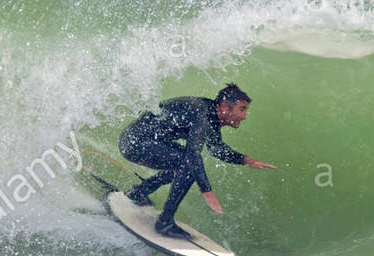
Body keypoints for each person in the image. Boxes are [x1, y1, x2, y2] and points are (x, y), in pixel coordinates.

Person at [118, 83, 276, 239]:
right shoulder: (201, 113)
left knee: (187, 162)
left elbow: (216, 149)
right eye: (241, 109)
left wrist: (246, 160)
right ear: (224, 107)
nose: (244, 116)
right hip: (135, 143)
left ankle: (138, 193)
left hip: (142, 141)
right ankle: (165, 222)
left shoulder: (210, 116)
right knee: (189, 164)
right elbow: (193, 154)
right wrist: (207, 190)